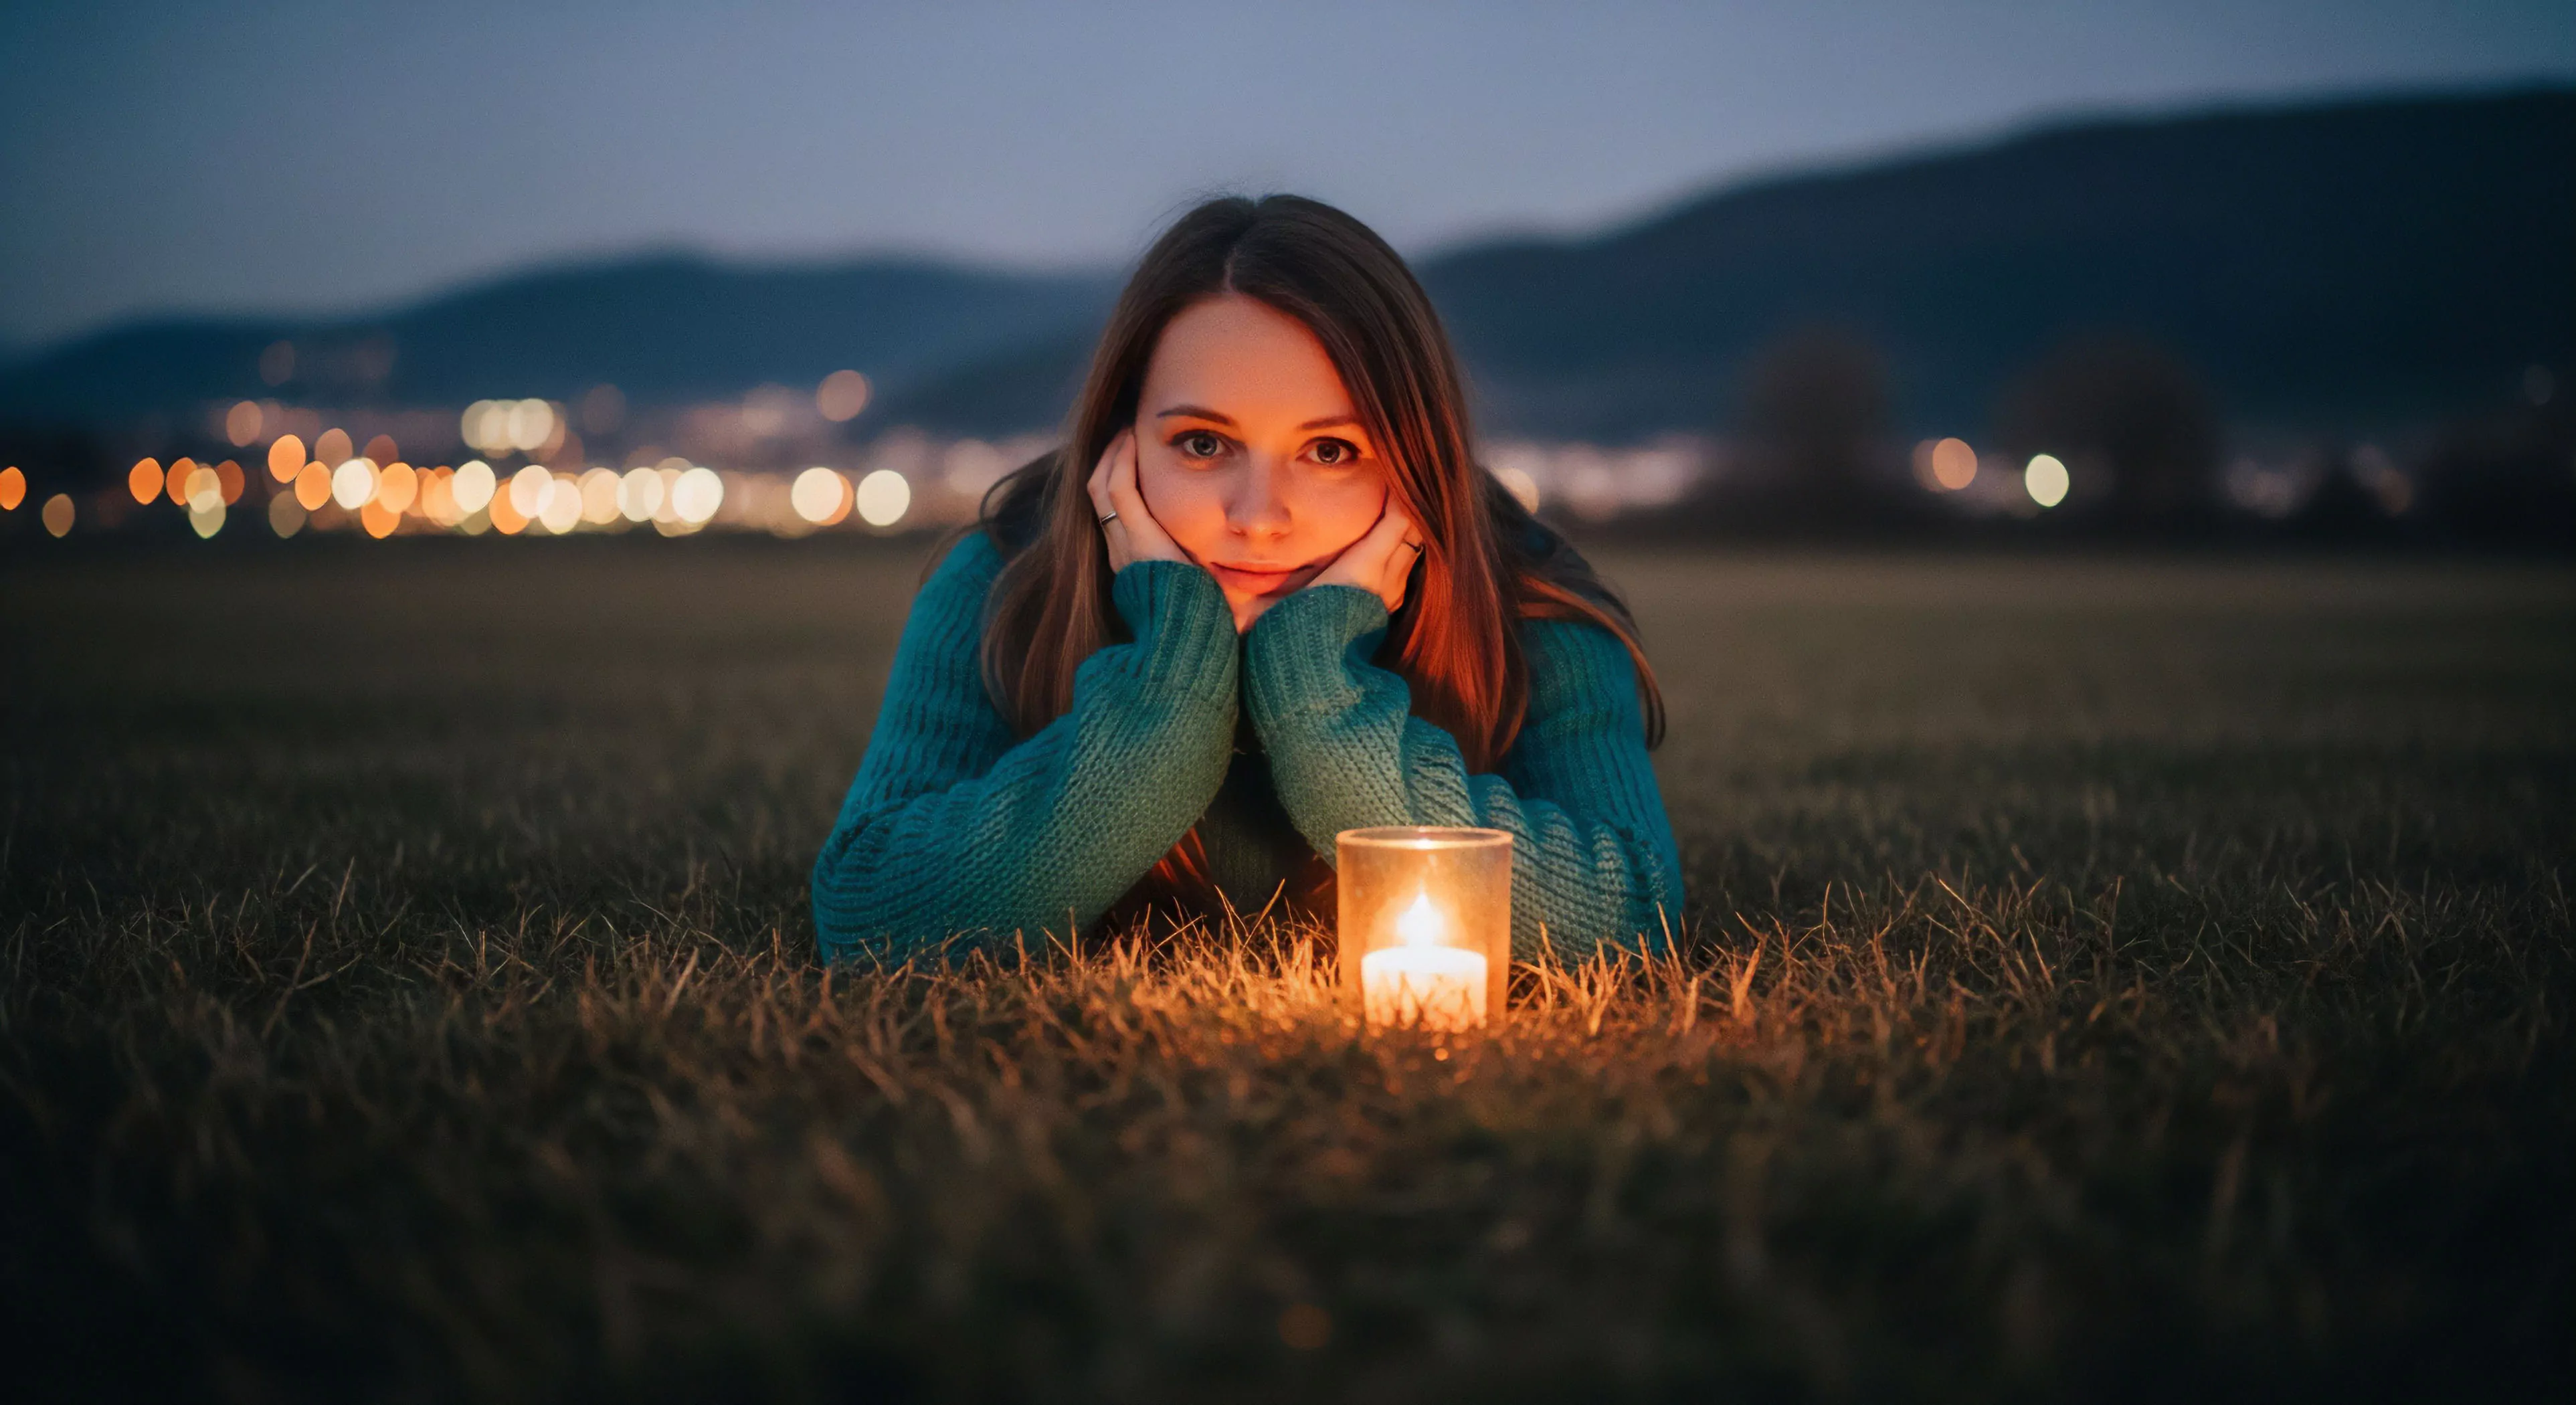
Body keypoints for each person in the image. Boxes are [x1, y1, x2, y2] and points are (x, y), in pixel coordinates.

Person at [810, 194, 1682, 963]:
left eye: (1331, 451)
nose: (1259, 514)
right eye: (1203, 444)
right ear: (1121, 448)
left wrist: (1320, 692)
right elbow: (867, 913)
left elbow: (1634, 917)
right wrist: (1167, 691)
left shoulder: (1526, 600)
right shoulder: (1004, 582)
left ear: (1412, 464)